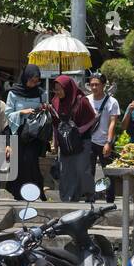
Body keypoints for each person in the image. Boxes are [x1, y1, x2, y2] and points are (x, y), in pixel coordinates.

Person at [4, 65, 49, 200]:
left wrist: (44, 108)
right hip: (18, 133)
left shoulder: (41, 93)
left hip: (34, 134)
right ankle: (18, 193)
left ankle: (35, 192)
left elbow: (45, 111)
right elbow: (8, 114)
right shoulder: (13, 93)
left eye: (37, 81)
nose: (34, 84)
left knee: (31, 162)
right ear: (25, 78)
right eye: (32, 80)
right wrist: (22, 112)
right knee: (18, 164)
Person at [50, 74, 97, 202]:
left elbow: (93, 119)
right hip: (65, 141)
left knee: (82, 169)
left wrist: (81, 129)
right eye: (56, 89)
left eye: (60, 89)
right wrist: (55, 142)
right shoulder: (55, 102)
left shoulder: (81, 101)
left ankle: (89, 193)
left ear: (68, 88)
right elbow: (55, 124)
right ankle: (68, 197)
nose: (57, 92)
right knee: (65, 171)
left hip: (82, 140)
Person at [86, 72, 121, 199]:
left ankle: (110, 198)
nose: (94, 87)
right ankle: (90, 197)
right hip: (89, 140)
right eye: (92, 85)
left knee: (108, 172)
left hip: (104, 141)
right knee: (89, 171)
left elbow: (113, 123)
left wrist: (108, 142)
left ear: (104, 85)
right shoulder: (86, 100)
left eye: (97, 84)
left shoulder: (112, 102)